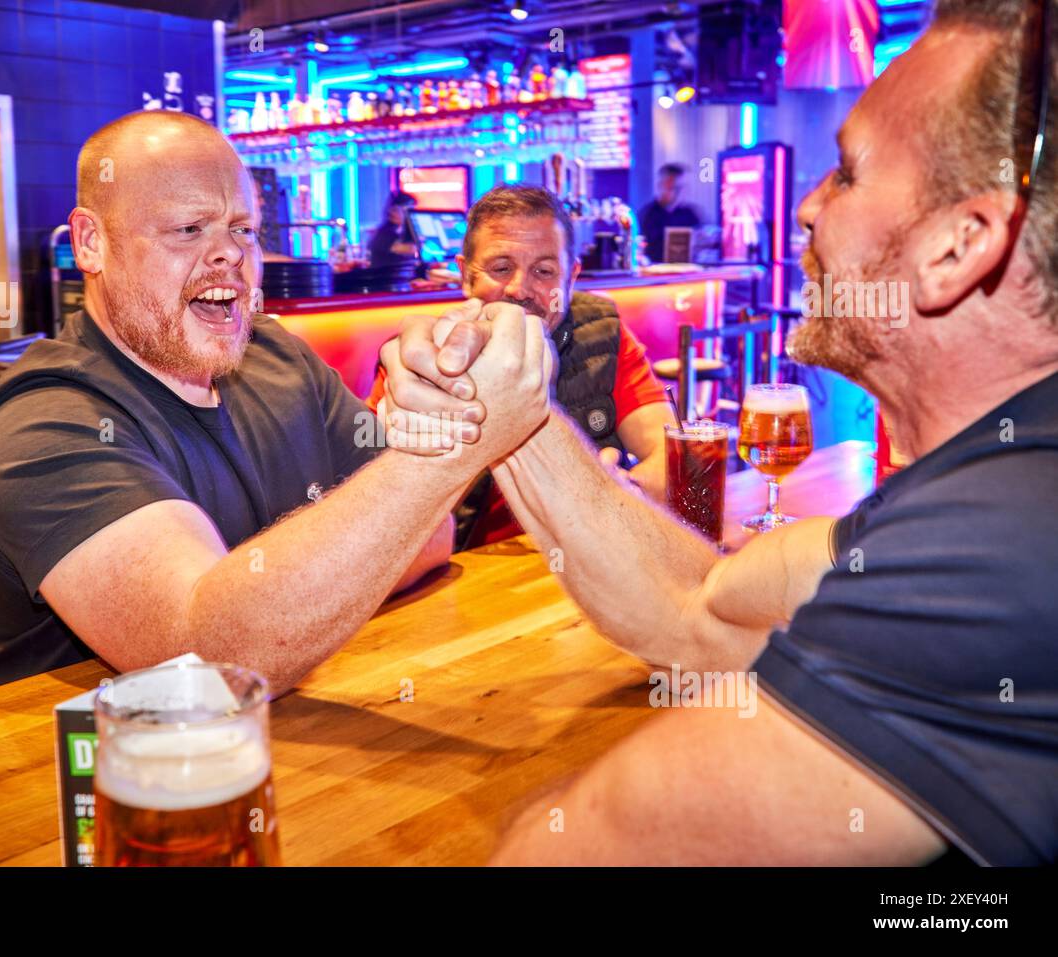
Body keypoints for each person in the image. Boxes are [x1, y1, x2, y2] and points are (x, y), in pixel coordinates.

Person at [379, 0, 1058, 865]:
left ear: (959, 248)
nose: (807, 208)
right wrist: (510, 404)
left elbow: (568, 853)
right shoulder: (995, 480)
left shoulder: (999, 552)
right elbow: (695, 611)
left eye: (845, 174)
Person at [0, 111, 554, 701]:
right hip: (46, 785)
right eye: (188, 229)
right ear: (91, 243)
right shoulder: (46, 423)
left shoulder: (279, 358)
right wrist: (439, 459)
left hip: (270, 748)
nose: (230, 254)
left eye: (244, 230)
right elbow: (205, 663)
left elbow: (428, 537)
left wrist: (274, 606)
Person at [367, 185, 674, 549]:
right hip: (466, 578)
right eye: (501, 267)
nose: (519, 288)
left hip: (587, 564)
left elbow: (670, 456)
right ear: (466, 276)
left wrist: (621, 493)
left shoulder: (603, 335)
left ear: (571, 277)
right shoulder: (417, 362)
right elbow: (377, 521)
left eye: (543, 271)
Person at [638, 163, 701, 263]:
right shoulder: (648, 215)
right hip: (656, 274)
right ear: (660, 186)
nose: (678, 193)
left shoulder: (690, 214)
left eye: (681, 188)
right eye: (673, 188)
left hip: (686, 273)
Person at [367, 191, 419, 269]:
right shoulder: (384, 233)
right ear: (393, 211)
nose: (411, 214)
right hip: (387, 279)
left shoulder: (401, 232)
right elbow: (409, 249)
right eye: (407, 210)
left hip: (402, 279)